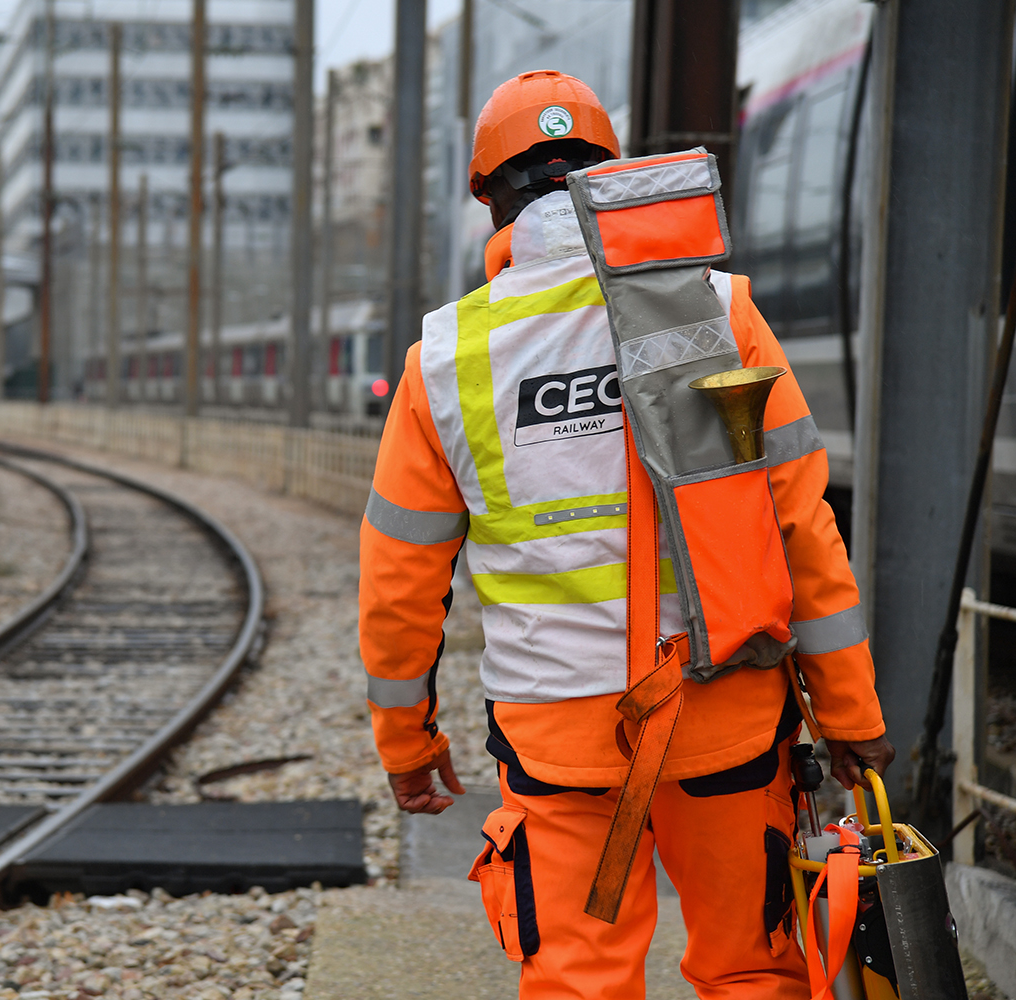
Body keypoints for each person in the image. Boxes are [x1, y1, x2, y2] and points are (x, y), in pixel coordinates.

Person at [358, 70, 894, 997]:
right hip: (723, 713)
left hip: (557, 733)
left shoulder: (445, 357)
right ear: (614, 176)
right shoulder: (721, 315)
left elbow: (401, 577)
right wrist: (849, 713)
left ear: (491, 198)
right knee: (753, 972)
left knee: (577, 978)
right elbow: (801, 527)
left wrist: (408, 741)